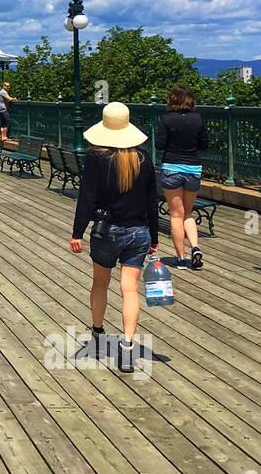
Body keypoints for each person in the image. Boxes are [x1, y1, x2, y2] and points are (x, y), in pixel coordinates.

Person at [70, 102, 159, 374]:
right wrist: (154, 237)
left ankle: (97, 332)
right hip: (139, 232)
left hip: (107, 231)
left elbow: (87, 198)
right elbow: (151, 202)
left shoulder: (96, 159)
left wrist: (77, 232)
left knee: (100, 283)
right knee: (129, 289)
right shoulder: (143, 159)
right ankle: (129, 345)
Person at [156, 86, 208, 269]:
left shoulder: (166, 119)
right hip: (193, 168)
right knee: (188, 213)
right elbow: (204, 144)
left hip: (171, 167)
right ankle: (195, 246)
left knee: (175, 215)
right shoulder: (198, 118)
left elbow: (159, 145)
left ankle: (181, 258)